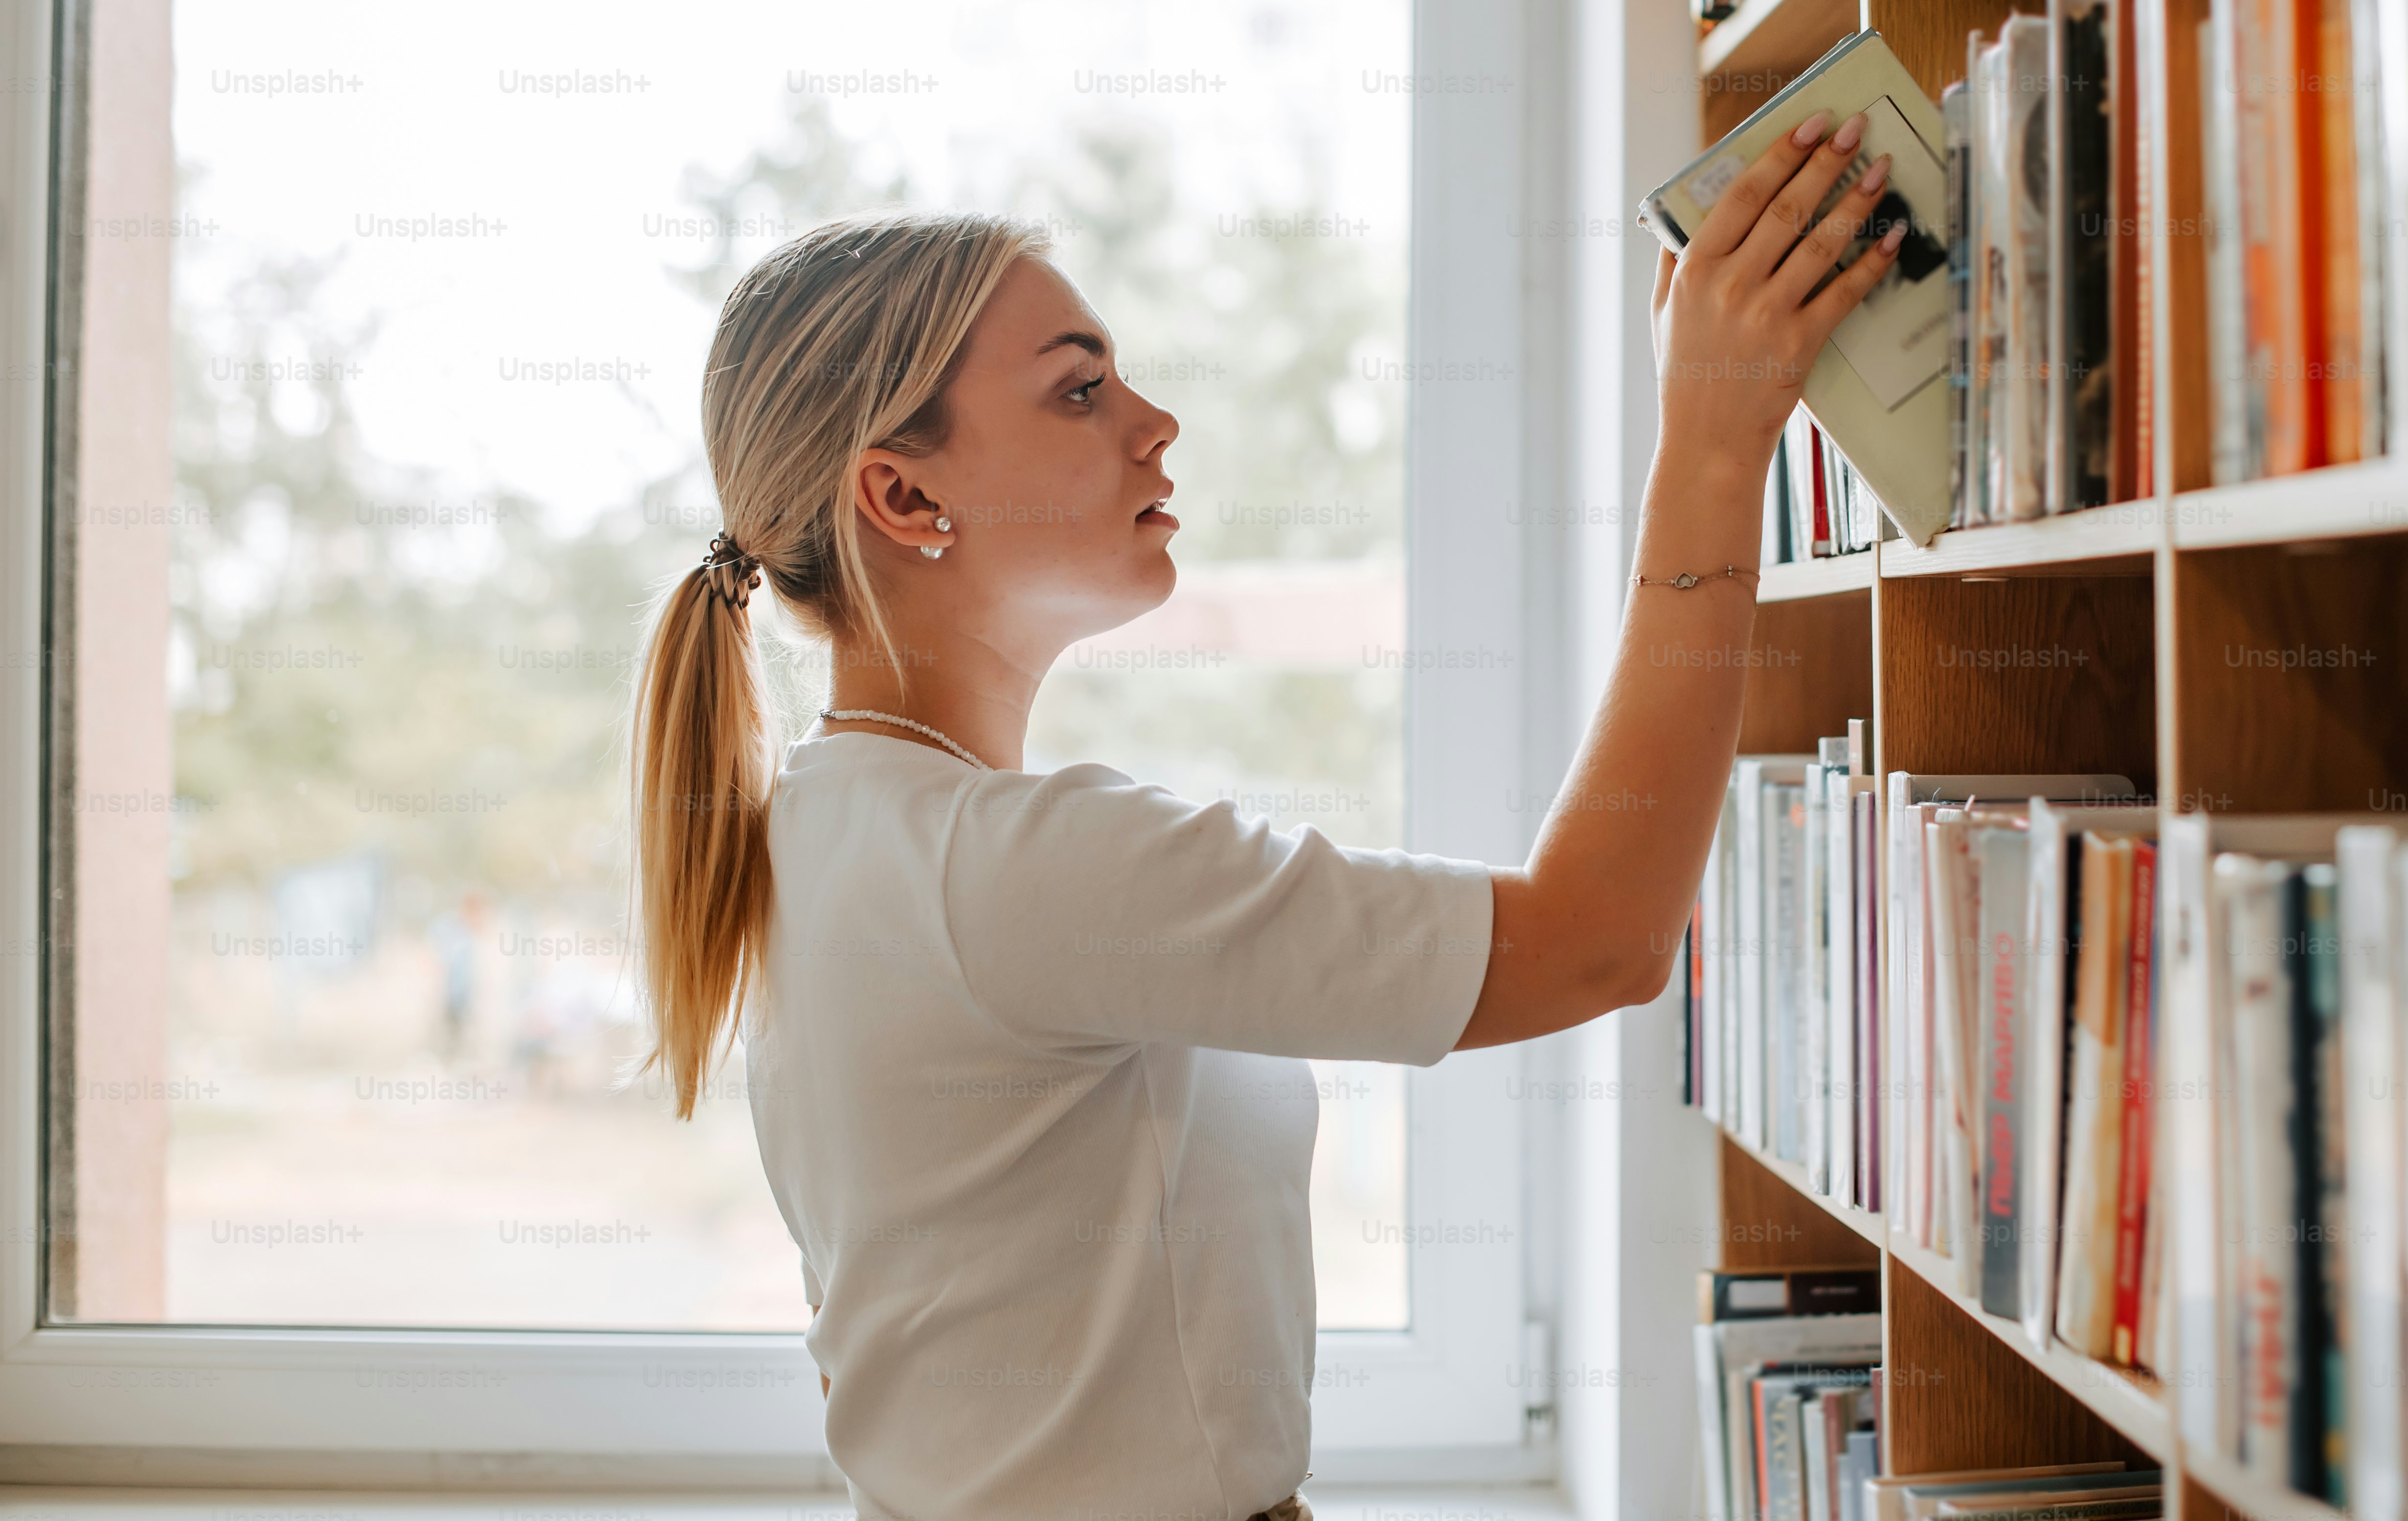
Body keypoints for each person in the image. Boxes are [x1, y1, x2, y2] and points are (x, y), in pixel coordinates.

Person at [631, 110, 1901, 1521]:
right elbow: (1597, 940)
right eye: (1077, 390)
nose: (1154, 422)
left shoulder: (824, 829)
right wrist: (1712, 448)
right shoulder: (1016, 862)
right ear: (903, 491)